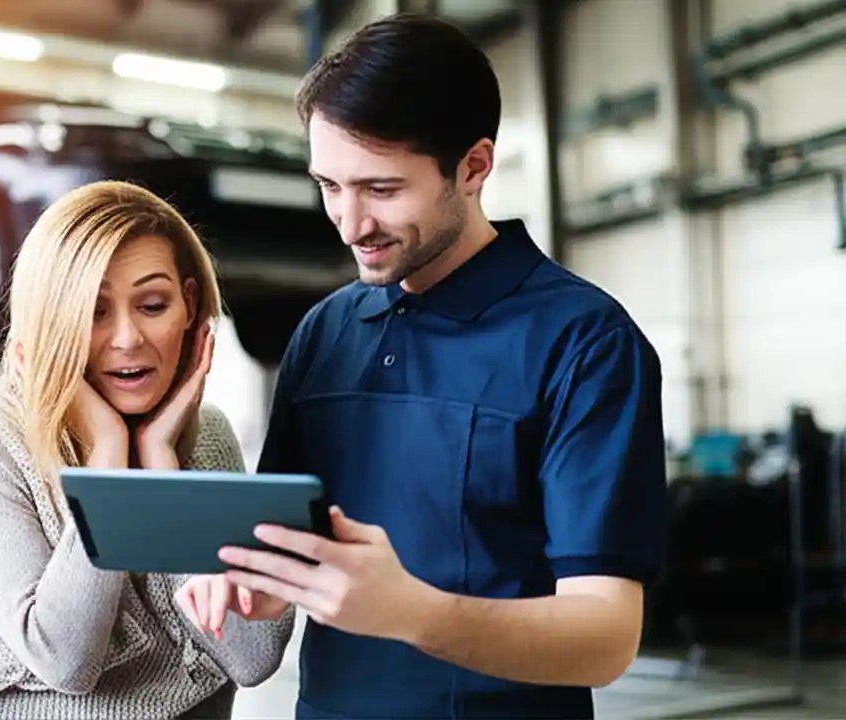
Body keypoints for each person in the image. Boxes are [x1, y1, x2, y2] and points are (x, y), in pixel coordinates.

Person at [207, 13, 668, 720]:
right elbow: (284, 550)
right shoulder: (323, 334)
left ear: (475, 167)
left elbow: (606, 636)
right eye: (329, 185)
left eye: (382, 190)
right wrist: (256, 582)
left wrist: (413, 612)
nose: (350, 222)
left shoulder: (584, 342)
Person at [0, 180, 294, 719]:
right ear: (52, 321)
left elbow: (254, 656)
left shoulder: (205, 435)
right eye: (94, 312)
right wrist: (110, 461)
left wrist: (163, 469)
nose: (127, 338)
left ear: (189, 306)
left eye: (152, 304)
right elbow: (64, 657)